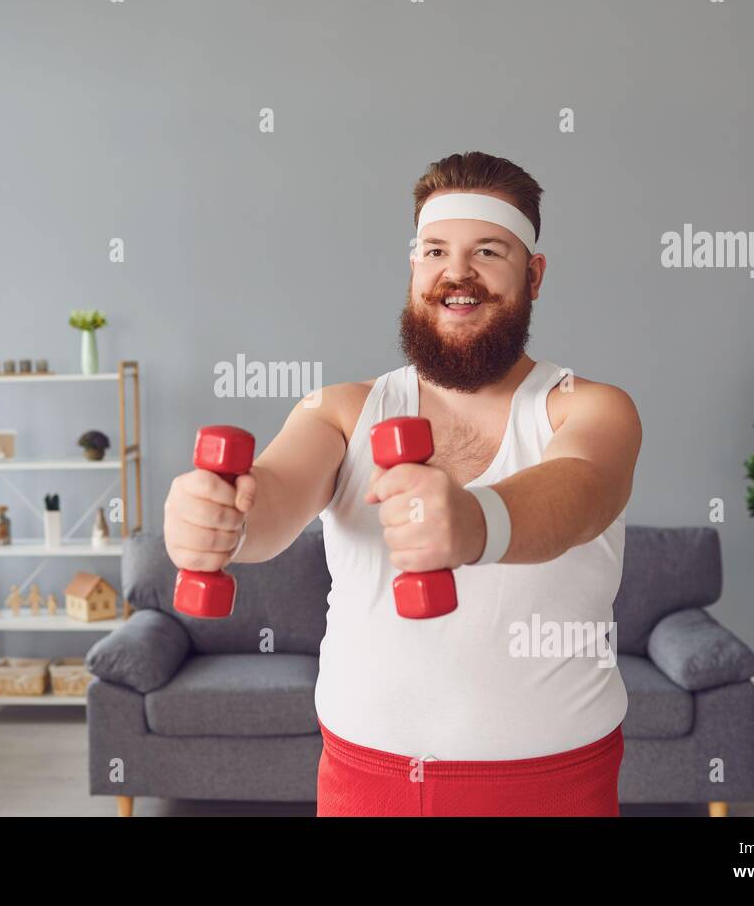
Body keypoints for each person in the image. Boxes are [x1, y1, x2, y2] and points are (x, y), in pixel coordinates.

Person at [163, 151, 642, 816]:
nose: (457, 274)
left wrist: (477, 523)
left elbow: (581, 490)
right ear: (414, 267)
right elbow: (269, 500)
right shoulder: (337, 409)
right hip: (367, 782)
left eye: (488, 252)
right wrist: (218, 518)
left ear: (533, 275)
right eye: (435, 249)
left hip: (554, 784)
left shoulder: (588, 407)